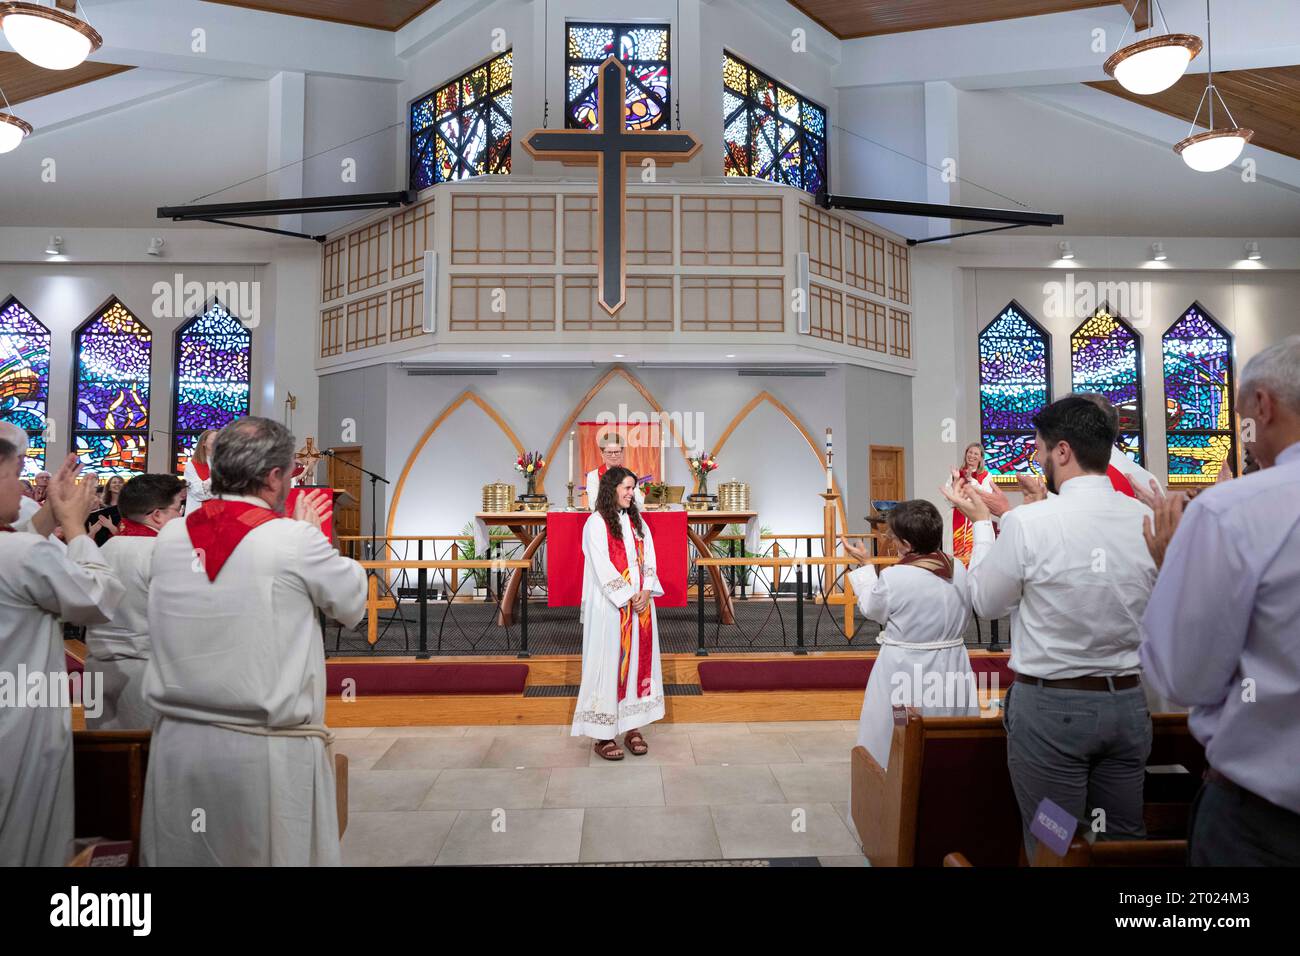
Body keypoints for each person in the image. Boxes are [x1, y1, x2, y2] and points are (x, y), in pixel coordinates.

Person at [141, 417, 367, 866]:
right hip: (264, 754)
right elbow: (350, 604)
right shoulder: (291, 540)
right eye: (288, 473)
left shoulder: (168, 538)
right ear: (273, 477)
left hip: (178, 747)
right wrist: (311, 533)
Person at [943, 396, 1157, 858]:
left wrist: (983, 525)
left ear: (1063, 452)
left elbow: (985, 601)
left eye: (1040, 449)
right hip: (1128, 705)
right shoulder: (1145, 519)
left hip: (1054, 709)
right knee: (1122, 841)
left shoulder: (1028, 522)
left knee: (1055, 837)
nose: (1037, 460)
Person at [1140, 336, 1300, 866]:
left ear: (1263, 405)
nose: (1245, 441)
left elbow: (1186, 678)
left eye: (1242, 421)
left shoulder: (1232, 512)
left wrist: (1172, 572)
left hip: (1264, 821)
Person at [0, 446, 123, 865]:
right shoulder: (22, 555)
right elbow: (97, 599)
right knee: (25, 839)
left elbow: (23, 549)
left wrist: (53, 513)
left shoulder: (16, 549)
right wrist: (74, 529)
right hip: (18, 721)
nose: (22, 486)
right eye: (13, 475)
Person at [840, 500, 978, 780]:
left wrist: (866, 567)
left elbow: (871, 608)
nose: (890, 541)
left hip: (905, 668)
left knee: (895, 735)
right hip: (952, 665)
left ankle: (890, 802)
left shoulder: (896, 576)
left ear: (905, 543)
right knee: (945, 734)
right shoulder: (959, 568)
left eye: (892, 536)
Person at [573, 466, 664, 760]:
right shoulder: (596, 523)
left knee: (637, 664)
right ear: (611, 489)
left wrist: (647, 590)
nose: (631, 493)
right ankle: (603, 735)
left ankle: (633, 726)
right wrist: (627, 596)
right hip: (612, 608)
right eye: (626, 488)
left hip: (640, 606)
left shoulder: (638, 523)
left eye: (632, 488)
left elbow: (649, 556)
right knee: (609, 663)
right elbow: (601, 565)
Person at [83, 473, 186, 731]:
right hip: (144, 669)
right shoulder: (160, 553)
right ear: (157, 515)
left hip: (97, 665)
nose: (182, 515)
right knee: (143, 758)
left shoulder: (102, 549)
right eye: (178, 507)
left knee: (104, 756)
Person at [946, 442, 992, 566]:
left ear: (981, 458)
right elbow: (949, 499)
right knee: (954, 556)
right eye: (970, 452)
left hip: (975, 518)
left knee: (975, 555)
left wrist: (972, 481)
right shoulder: (956, 473)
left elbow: (986, 497)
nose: (972, 455)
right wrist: (956, 479)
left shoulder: (986, 476)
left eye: (976, 453)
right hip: (957, 516)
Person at [585, 433, 644, 511]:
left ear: (622, 453)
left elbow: (639, 504)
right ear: (602, 454)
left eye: (616, 452)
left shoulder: (631, 475)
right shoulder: (593, 476)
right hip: (602, 519)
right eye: (609, 452)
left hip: (626, 518)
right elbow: (594, 504)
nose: (613, 456)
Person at [182, 428, 218, 513]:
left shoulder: (225, 463)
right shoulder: (192, 466)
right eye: (215, 439)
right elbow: (199, 492)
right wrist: (219, 476)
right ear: (203, 443)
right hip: (198, 512)